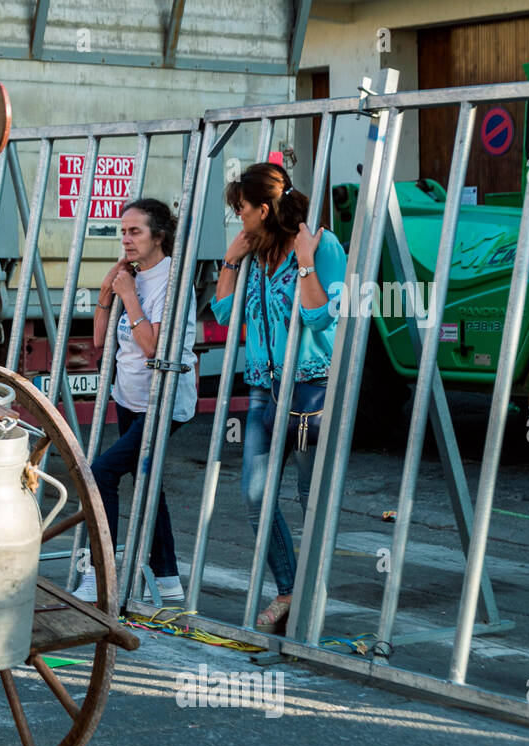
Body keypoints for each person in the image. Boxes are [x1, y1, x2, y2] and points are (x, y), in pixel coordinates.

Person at [212, 162, 346, 633]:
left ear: (264, 209)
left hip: (312, 390)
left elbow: (320, 317)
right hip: (264, 391)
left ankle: (311, 598)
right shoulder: (255, 253)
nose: (238, 218)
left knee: (313, 500)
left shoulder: (322, 244)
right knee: (255, 496)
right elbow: (225, 314)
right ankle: (289, 590)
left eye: (241, 210)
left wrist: (306, 258)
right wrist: (232, 257)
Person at [73, 198, 197, 604]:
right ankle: (167, 578)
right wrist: (110, 291)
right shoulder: (132, 275)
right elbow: (98, 340)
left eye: (134, 231)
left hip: (163, 403)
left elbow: (153, 348)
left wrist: (128, 295)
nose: (125, 239)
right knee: (147, 483)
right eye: (122, 231)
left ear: (158, 236)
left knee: (101, 473)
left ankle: (99, 572)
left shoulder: (171, 281)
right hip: (129, 397)